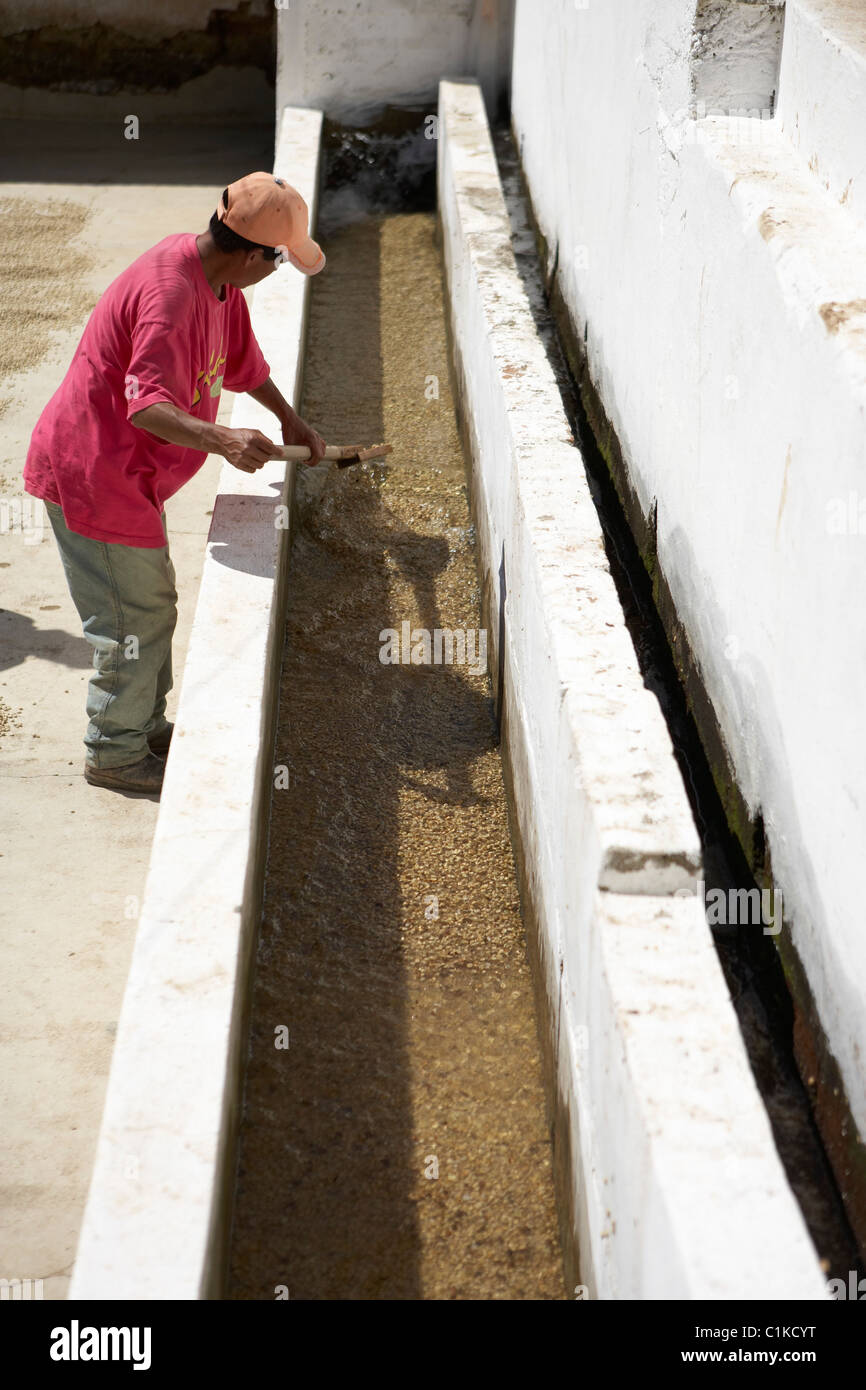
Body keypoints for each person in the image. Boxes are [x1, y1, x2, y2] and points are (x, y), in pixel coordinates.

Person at [23, 172, 327, 796]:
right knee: (132, 616)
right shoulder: (171, 295)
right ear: (251, 253)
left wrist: (286, 416)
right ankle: (114, 750)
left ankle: (142, 725)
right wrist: (224, 440)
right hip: (96, 471)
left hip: (130, 476)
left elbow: (242, 360)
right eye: (278, 261)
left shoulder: (217, 279)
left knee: (150, 605)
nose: (276, 273)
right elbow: (145, 407)